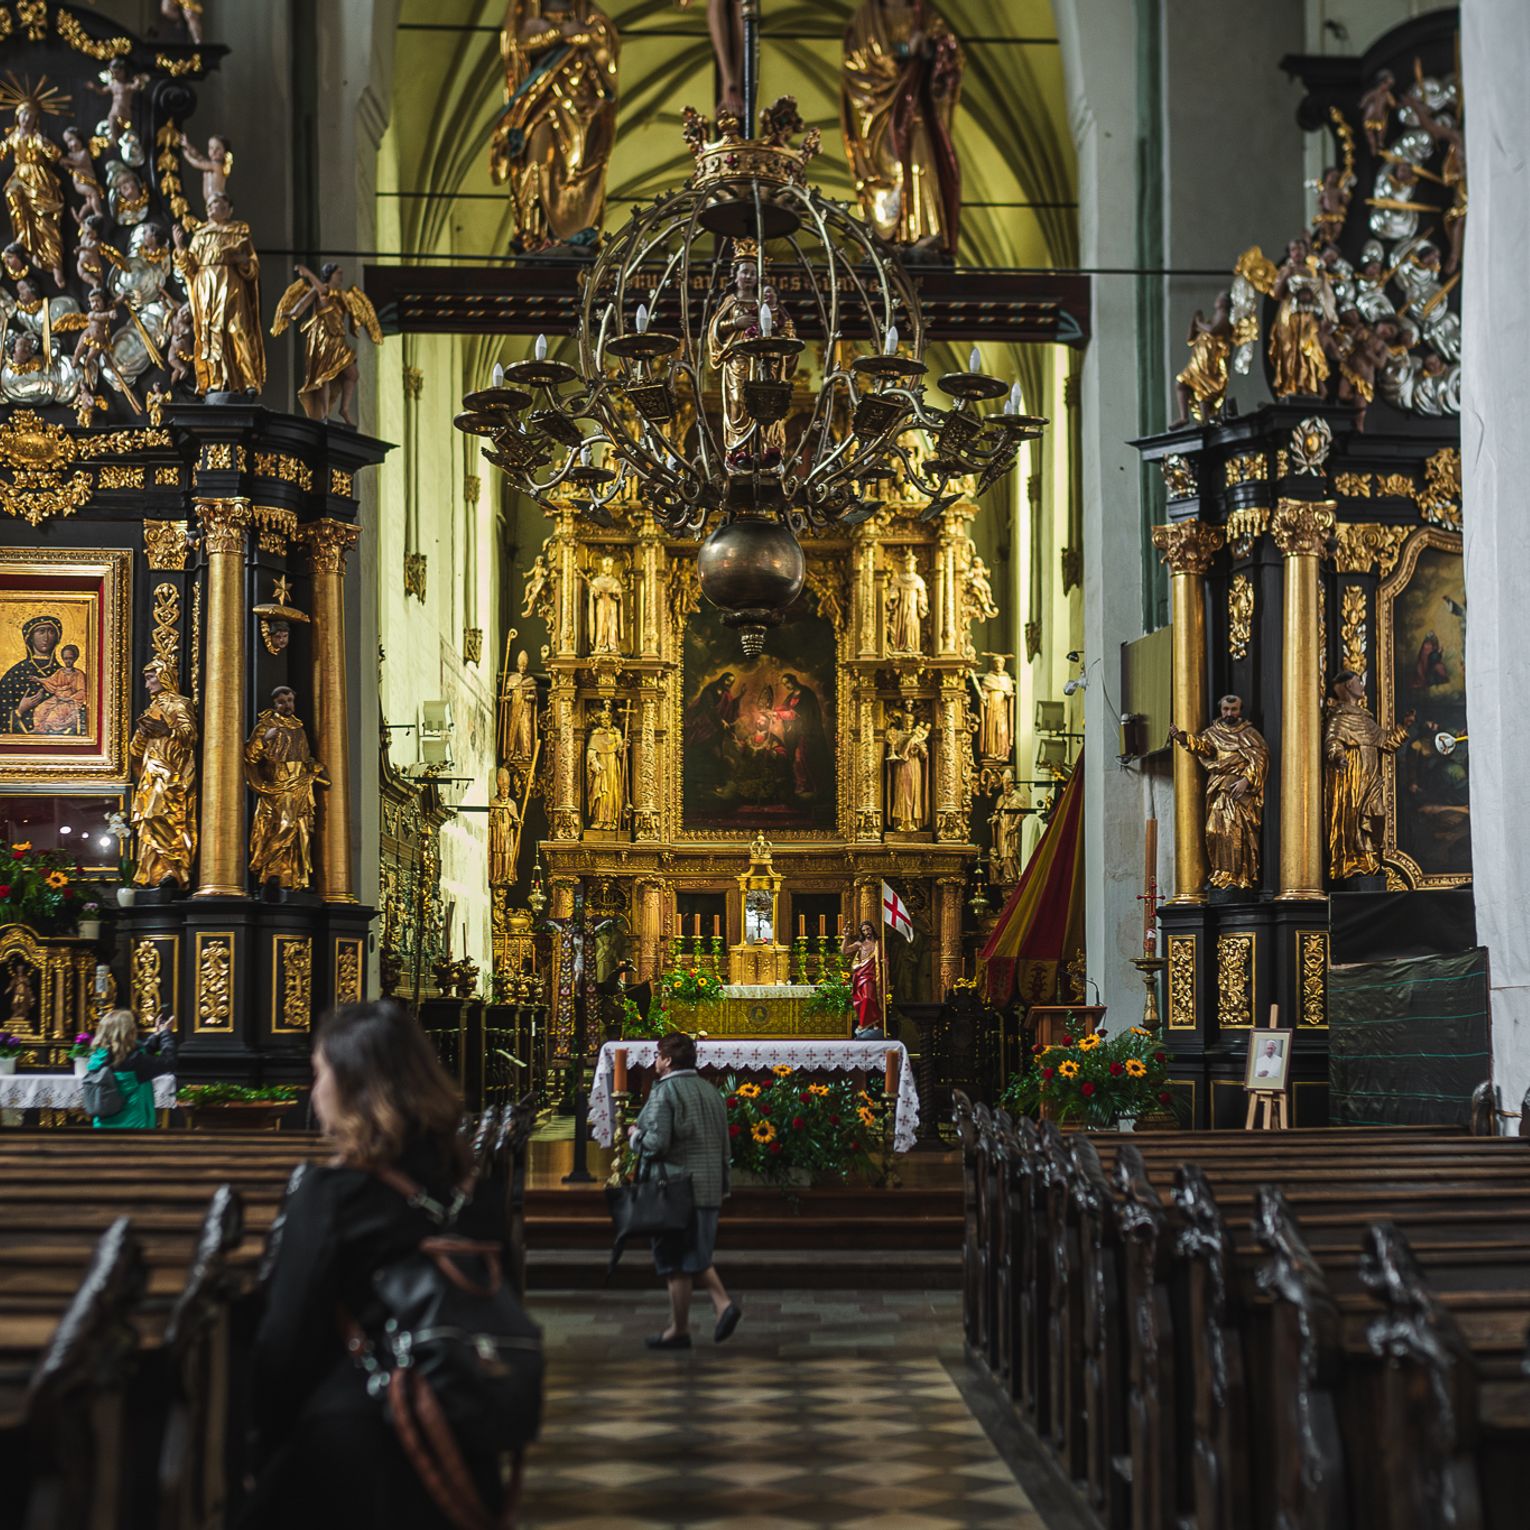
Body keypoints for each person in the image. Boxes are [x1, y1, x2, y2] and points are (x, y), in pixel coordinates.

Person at [244, 1001, 516, 1528]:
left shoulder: (329, 1196)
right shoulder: (473, 1186)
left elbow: (284, 1341)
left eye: (320, 1073)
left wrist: (261, 1451)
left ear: (349, 1086)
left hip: (358, 1439)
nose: (314, 1090)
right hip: (456, 1434)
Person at [627, 1030, 739, 1350]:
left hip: (675, 1189)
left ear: (668, 1061)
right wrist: (723, 1185)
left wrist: (635, 1136)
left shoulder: (665, 1092)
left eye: (658, 1055)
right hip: (708, 1187)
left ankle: (722, 1304)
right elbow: (723, 1143)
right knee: (688, 1256)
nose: (655, 1061)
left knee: (678, 1257)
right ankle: (680, 1328)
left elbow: (657, 1143)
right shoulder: (710, 1091)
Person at [84, 1008, 176, 1129]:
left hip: (103, 1126)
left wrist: (157, 1035)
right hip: (133, 1127)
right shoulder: (135, 1062)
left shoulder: (98, 1057)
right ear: (128, 1032)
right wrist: (166, 1033)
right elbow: (168, 1061)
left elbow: (137, 1053)